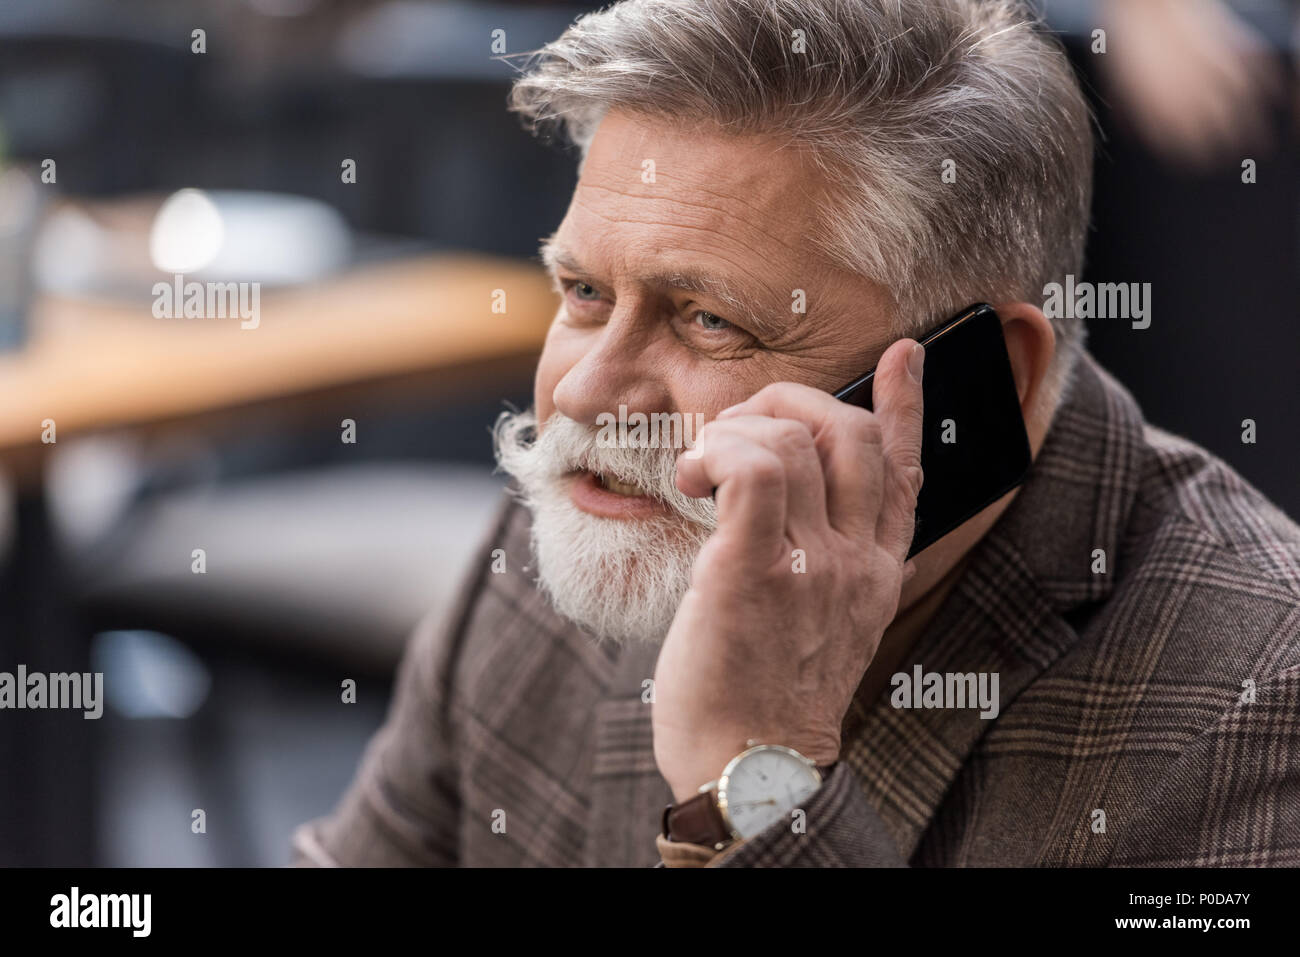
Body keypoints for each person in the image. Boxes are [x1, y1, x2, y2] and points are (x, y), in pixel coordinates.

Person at [292, 0, 1300, 867]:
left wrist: (755, 781)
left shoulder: (1257, 697)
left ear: (985, 376)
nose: (588, 397)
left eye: (710, 320)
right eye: (585, 293)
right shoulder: (591, 520)